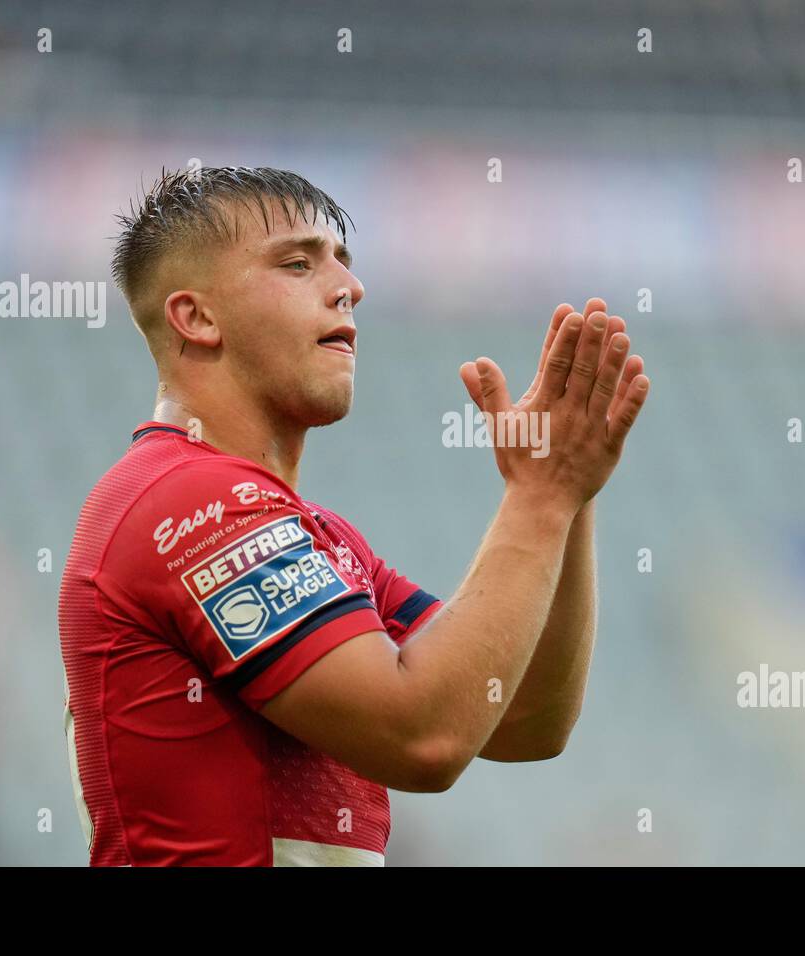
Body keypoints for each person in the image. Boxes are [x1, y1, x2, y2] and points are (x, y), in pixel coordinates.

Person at [58, 167, 650, 865]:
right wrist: (539, 499)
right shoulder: (189, 502)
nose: (349, 286)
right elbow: (421, 740)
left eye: (345, 261)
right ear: (197, 317)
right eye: (299, 262)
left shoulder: (316, 535)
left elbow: (526, 720)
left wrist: (566, 495)